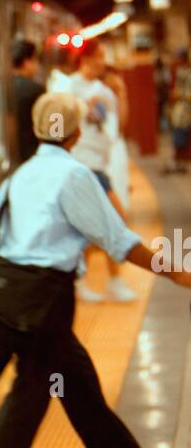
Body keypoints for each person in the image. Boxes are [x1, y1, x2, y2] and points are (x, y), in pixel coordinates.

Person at [0, 91, 191, 448]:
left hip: (13, 300)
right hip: (44, 302)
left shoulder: (19, 177)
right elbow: (118, 240)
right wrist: (176, 273)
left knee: (78, 385)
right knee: (31, 392)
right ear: (77, 132)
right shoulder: (73, 176)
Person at [66, 40, 137, 304]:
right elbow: (56, 125)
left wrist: (122, 96)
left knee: (100, 225)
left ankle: (91, 281)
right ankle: (104, 280)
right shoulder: (68, 87)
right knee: (111, 220)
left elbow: (118, 129)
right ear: (85, 58)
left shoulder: (103, 90)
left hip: (99, 164)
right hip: (79, 165)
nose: (102, 62)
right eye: (98, 56)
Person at [11, 39, 44, 163]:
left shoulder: (2, 87)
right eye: (35, 61)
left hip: (12, 154)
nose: (37, 66)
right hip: (32, 154)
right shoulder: (35, 89)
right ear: (26, 62)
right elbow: (53, 120)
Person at [103, 66, 130, 212]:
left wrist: (122, 93)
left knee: (118, 185)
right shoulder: (97, 94)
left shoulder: (114, 96)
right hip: (103, 150)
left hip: (115, 146)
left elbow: (121, 126)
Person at [166, 47, 191, 175]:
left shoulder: (188, 74)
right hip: (178, 111)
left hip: (185, 111)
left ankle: (178, 163)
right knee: (176, 137)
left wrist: (179, 95)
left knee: (180, 138)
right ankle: (175, 163)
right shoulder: (180, 72)